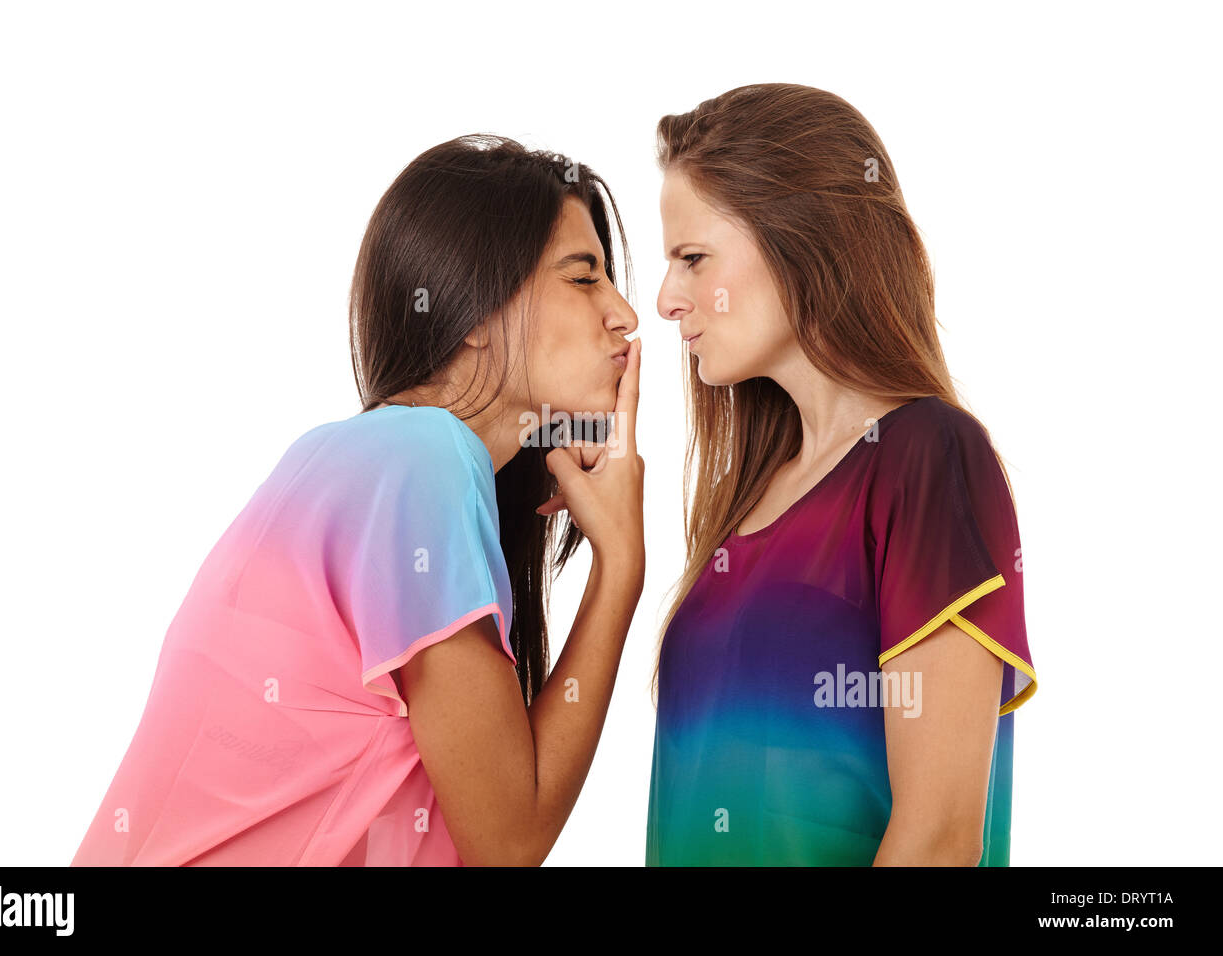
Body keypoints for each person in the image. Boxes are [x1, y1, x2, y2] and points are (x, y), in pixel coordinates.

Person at [72, 134, 645, 866]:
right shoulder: (424, 461)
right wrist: (620, 562)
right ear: (474, 311)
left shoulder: (344, 455)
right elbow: (507, 841)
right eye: (583, 277)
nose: (625, 314)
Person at [646, 84, 1037, 866]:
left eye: (693, 259)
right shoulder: (748, 501)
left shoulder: (930, 459)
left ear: (803, 237)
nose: (665, 300)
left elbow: (937, 842)